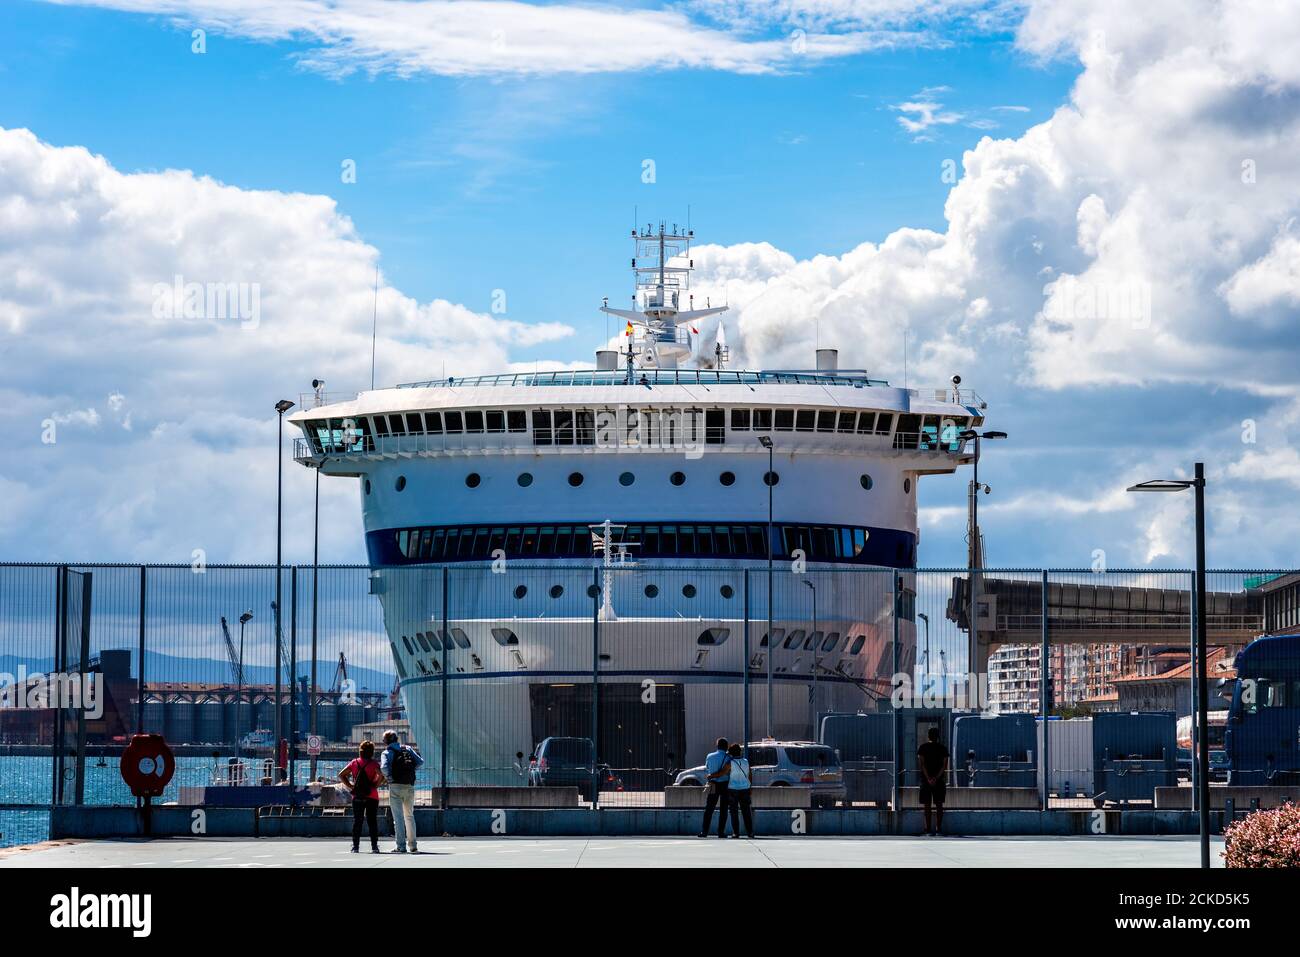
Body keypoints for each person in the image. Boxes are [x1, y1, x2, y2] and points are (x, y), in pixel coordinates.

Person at [380, 730, 422, 854]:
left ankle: (401, 846)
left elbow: (383, 767)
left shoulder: (386, 752)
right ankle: (413, 846)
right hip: (409, 785)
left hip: (395, 786)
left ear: (386, 741)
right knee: (409, 816)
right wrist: (410, 771)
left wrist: (390, 778)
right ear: (397, 739)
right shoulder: (407, 749)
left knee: (398, 818)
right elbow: (420, 762)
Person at [339, 740, 385, 853]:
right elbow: (382, 775)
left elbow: (341, 775)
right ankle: (374, 847)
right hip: (372, 796)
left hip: (358, 795)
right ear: (372, 752)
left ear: (360, 751)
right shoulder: (374, 764)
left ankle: (355, 846)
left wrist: (351, 786)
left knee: (357, 821)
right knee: (372, 821)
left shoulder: (355, 762)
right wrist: (376, 784)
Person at [917, 727, 950, 836]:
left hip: (926, 780)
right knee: (939, 805)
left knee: (927, 805)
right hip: (939, 781)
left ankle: (927, 829)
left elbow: (922, 765)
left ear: (928, 736)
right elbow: (944, 766)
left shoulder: (922, 748)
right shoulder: (943, 749)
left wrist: (928, 778)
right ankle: (938, 829)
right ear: (938, 736)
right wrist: (936, 778)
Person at [698, 737, 731, 838]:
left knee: (709, 808)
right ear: (726, 747)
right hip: (725, 784)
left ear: (717, 746)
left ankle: (704, 831)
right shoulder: (728, 758)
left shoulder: (710, 756)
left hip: (713, 784)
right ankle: (721, 832)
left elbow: (707, 768)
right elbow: (729, 771)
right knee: (724, 809)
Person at [725, 744, 754, 839]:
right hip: (745, 788)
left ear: (731, 753)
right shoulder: (746, 762)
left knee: (734, 812)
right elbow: (749, 775)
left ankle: (736, 833)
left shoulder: (730, 763)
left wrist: (712, 776)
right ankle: (750, 832)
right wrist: (750, 786)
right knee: (746, 812)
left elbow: (723, 772)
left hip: (733, 789)